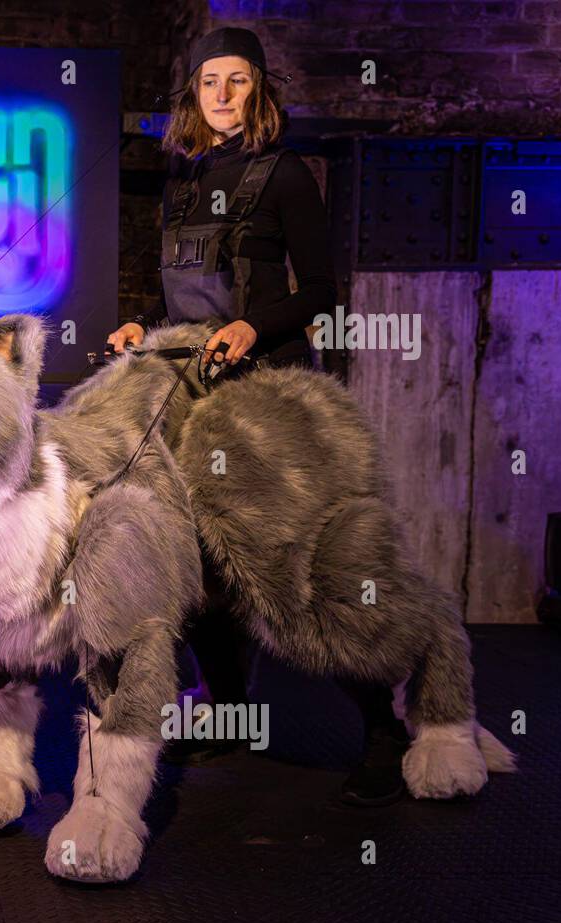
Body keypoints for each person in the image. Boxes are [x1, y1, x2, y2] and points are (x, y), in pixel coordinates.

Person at [104, 28, 408, 805]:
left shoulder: (286, 177)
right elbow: (179, 296)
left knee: (296, 579)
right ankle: (233, 712)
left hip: (264, 401)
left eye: (239, 81)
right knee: (201, 569)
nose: (224, 95)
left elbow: (321, 292)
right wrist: (142, 323)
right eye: (211, 82)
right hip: (191, 401)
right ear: (194, 94)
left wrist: (254, 326)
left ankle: (385, 729)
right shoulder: (182, 176)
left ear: (260, 91)